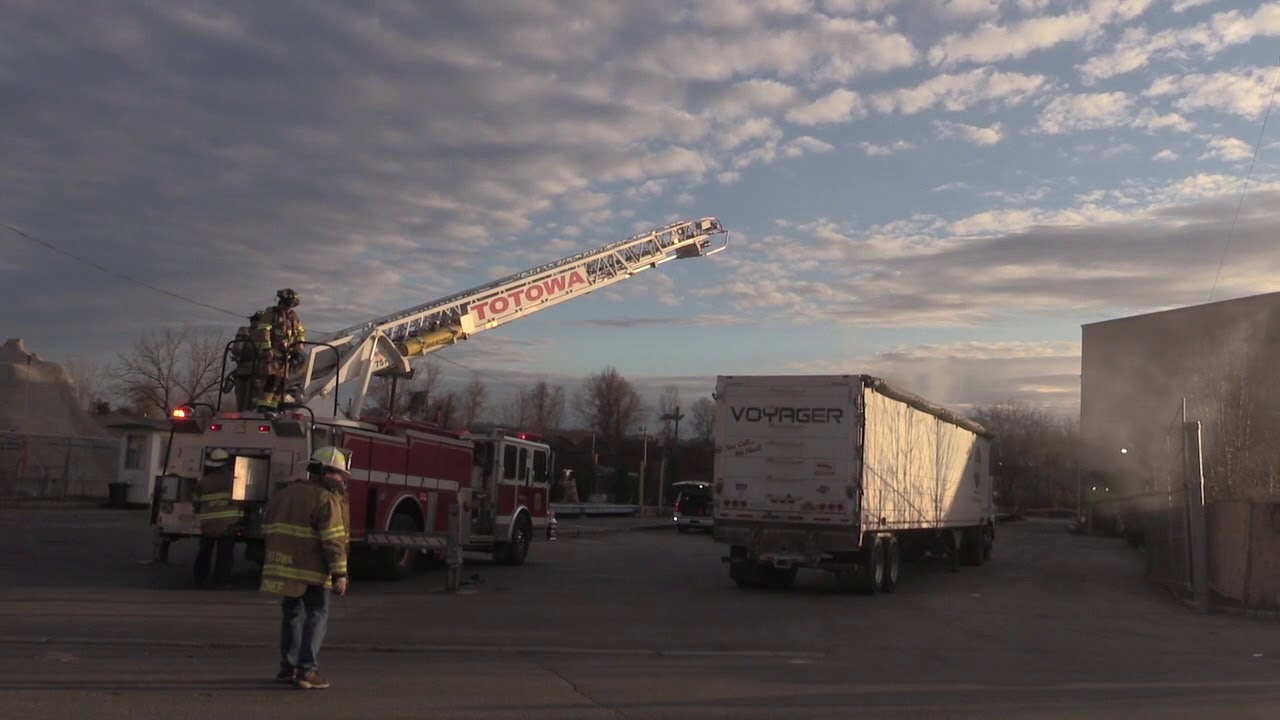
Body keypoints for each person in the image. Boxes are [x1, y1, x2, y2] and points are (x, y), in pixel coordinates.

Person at [260, 446, 351, 690]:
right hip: (314, 572)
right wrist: (340, 574)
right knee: (317, 616)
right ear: (327, 473)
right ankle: (307, 671)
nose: (342, 479)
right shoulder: (327, 499)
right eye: (339, 474)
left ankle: (287, 668)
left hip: (285, 570)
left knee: (291, 616)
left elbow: (266, 527)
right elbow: (333, 540)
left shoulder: (284, 494)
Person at [249, 288, 306, 411]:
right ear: (281, 302)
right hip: (273, 354)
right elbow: (264, 330)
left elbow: (300, 331)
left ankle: (273, 407)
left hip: (286, 356)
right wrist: (266, 348)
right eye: (287, 304)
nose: (288, 308)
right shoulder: (271, 314)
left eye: (291, 305)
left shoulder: (294, 317)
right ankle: (264, 406)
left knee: (282, 383)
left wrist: (300, 343)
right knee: (272, 379)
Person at [192, 448, 241, 589]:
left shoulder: (203, 482)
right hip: (228, 524)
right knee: (224, 554)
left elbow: (196, 502)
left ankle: (199, 580)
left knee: (204, 553)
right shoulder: (234, 480)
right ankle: (221, 582)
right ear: (227, 463)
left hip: (208, 524)